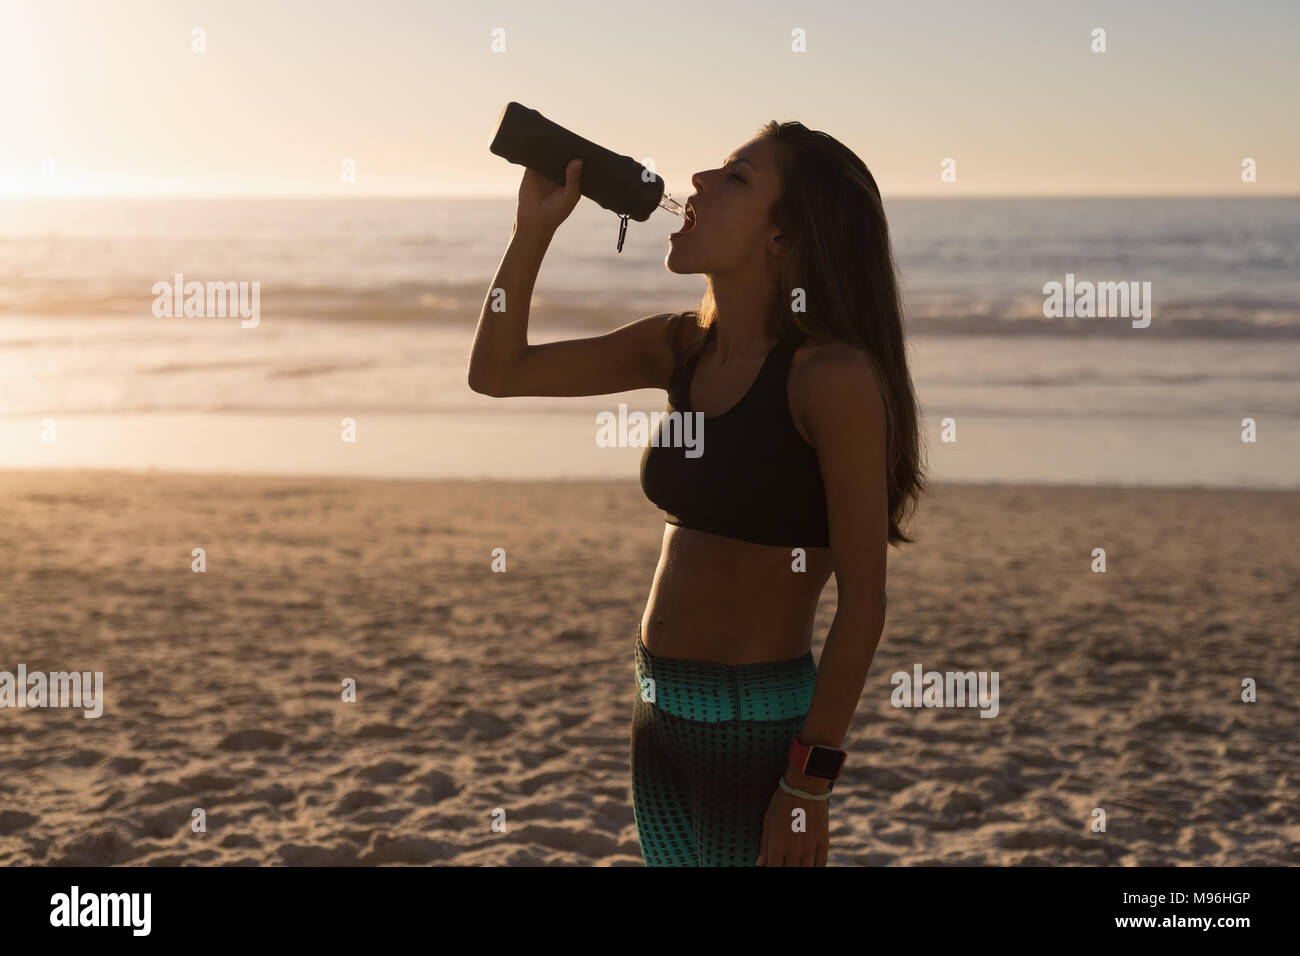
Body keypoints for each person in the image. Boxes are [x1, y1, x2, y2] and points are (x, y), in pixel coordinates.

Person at [468, 120, 925, 866]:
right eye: (714, 169)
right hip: (658, 709)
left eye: (737, 178)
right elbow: (497, 372)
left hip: (755, 728)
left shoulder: (829, 378)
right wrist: (532, 230)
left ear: (782, 238)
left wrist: (810, 787)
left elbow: (865, 603)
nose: (700, 183)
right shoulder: (680, 346)